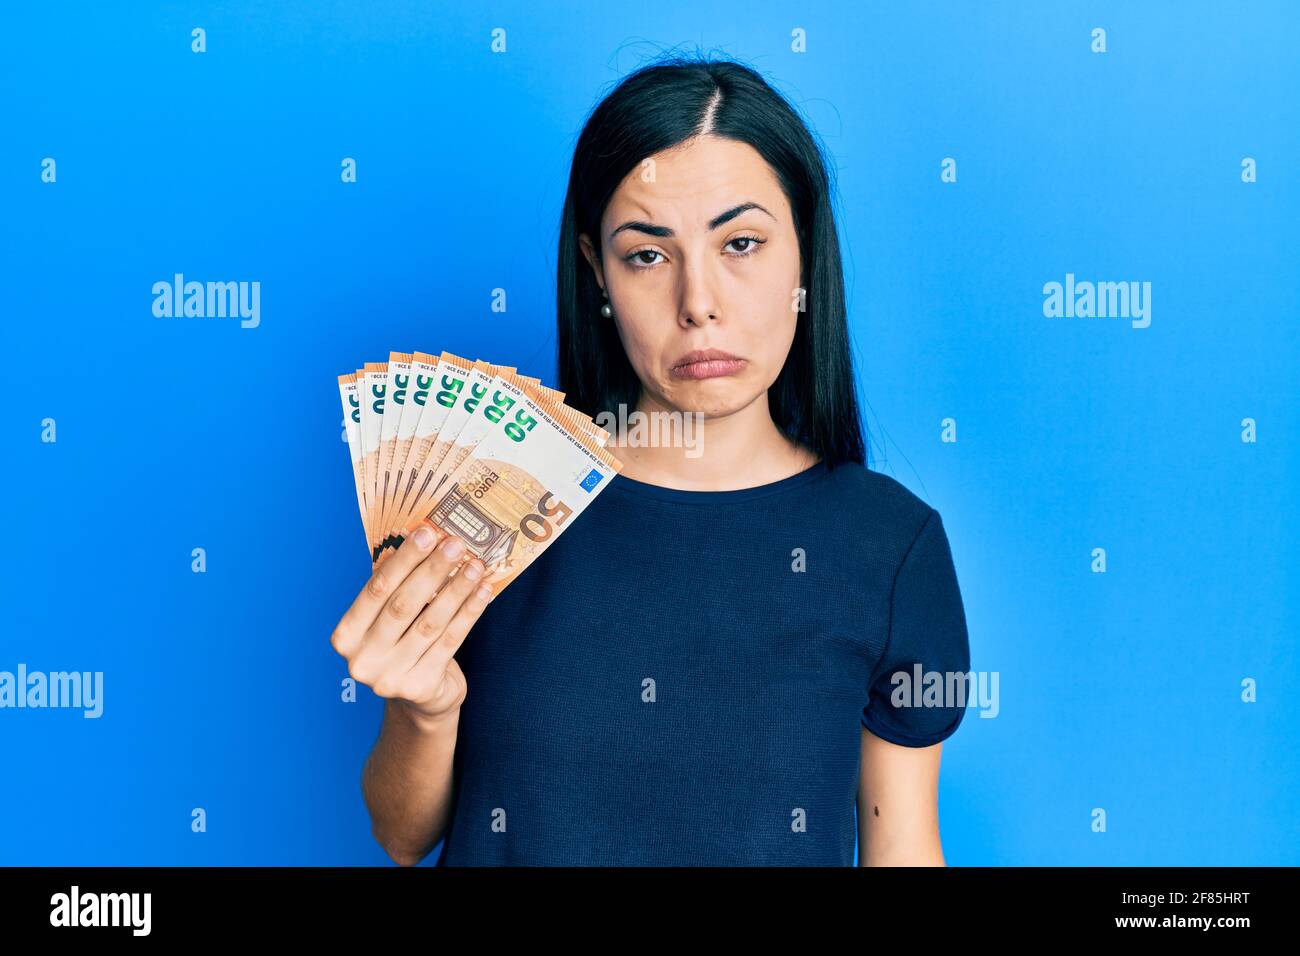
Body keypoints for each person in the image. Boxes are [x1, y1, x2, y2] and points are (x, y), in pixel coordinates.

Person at [330, 53, 971, 867]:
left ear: (804, 258)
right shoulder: (484, 500)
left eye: (741, 243)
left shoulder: (892, 545)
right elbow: (401, 833)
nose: (698, 302)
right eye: (646, 254)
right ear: (597, 273)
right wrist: (424, 712)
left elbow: (904, 851)